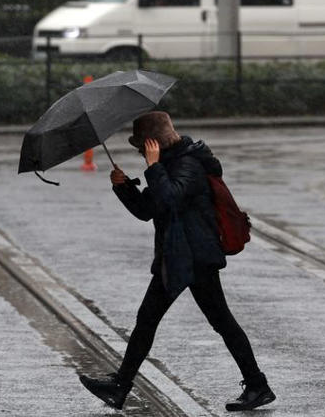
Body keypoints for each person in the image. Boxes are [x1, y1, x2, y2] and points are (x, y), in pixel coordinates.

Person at [78, 111, 275, 412]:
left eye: (141, 146)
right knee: (174, 320)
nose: (139, 152)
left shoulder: (188, 164)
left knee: (172, 320)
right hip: (181, 254)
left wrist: (154, 167)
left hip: (193, 257)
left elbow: (170, 198)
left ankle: (120, 386)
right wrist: (123, 186)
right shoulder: (170, 163)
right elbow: (149, 210)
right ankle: (257, 384)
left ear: (153, 143)